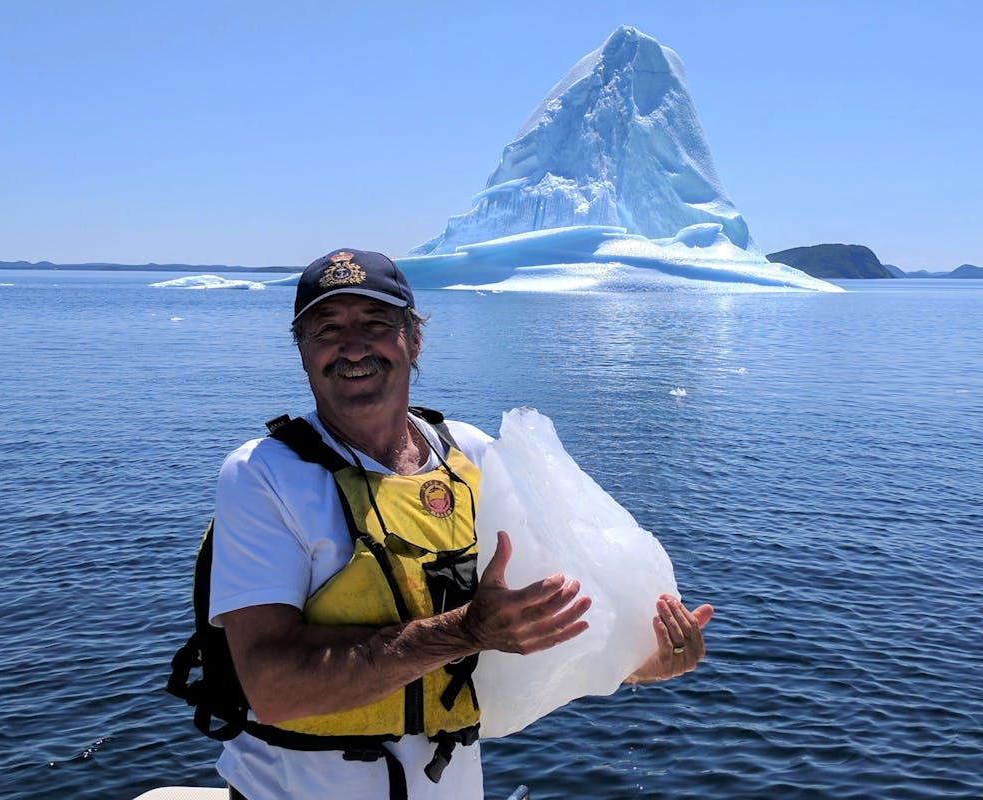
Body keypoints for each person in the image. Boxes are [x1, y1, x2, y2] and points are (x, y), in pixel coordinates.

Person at [209, 248, 714, 799]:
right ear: (303, 352)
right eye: (326, 329)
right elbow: (273, 687)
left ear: (414, 339)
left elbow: (538, 630)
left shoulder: (473, 456)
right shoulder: (264, 475)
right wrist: (465, 631)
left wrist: (638, 659)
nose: (352, 347)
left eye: (376, 324)